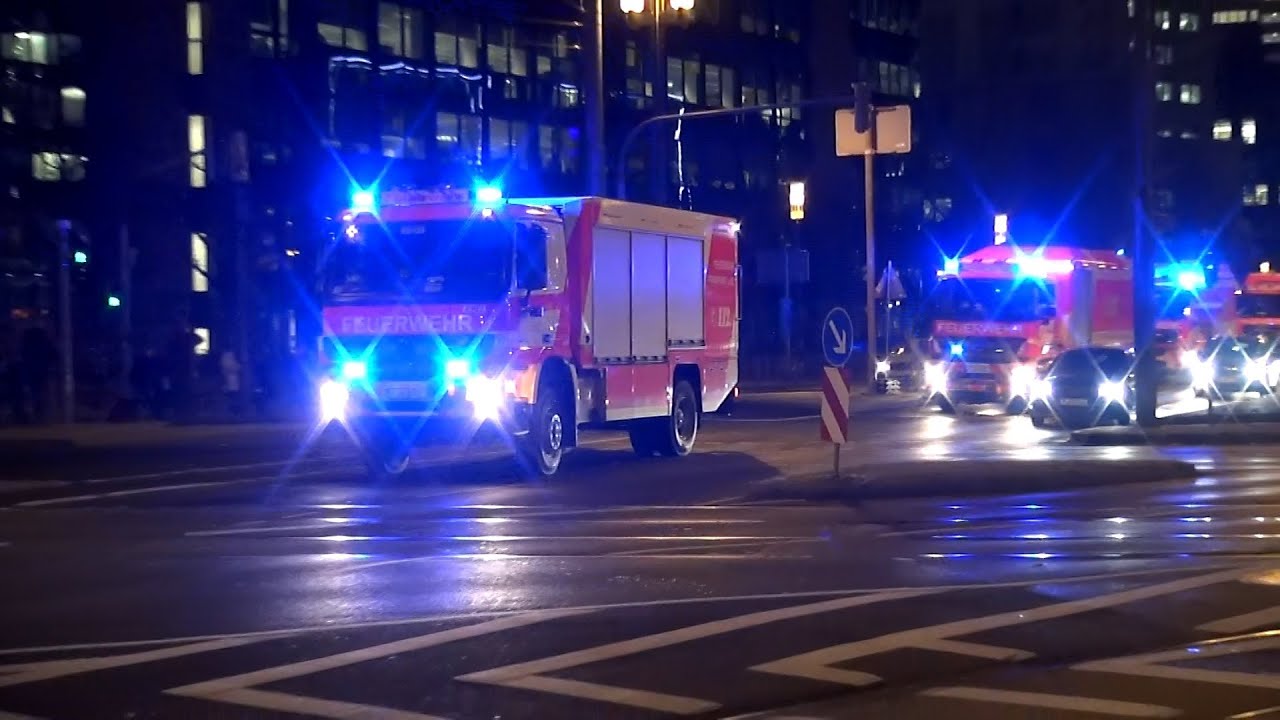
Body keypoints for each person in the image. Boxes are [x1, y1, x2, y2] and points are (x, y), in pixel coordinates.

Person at [20, 325, 54, 423]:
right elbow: (53, 356)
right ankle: (39, 415)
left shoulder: (27, 345)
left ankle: (35, 415)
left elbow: (23, 358)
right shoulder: (44, 344)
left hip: (31, 372)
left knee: (32, 394)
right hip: (41, 372)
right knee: (39, 394)